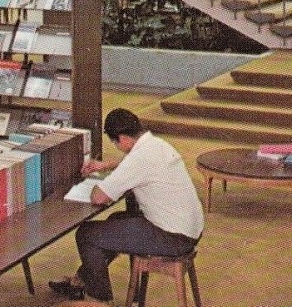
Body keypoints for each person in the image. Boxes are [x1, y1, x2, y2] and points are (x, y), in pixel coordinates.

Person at [50, 108, 204, 303]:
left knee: (87, 234)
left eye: (115, 143)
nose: (116, 146)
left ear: (122, 139)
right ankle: (83, 279)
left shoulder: (138, 159)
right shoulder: (157, 144)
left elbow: (99, 197)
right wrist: (106, 166)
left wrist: (96, 183)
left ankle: (100, 299)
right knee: (117, 220)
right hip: (189, 229)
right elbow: (134, 163)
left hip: (173, 237)